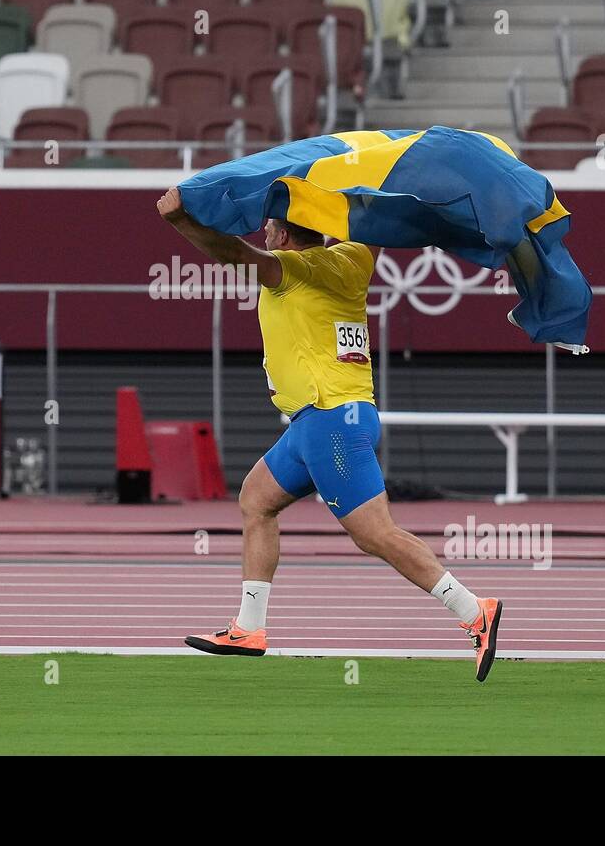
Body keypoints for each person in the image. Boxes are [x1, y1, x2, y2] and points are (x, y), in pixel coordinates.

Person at [155, 187, 503, 682]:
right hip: (319, 420)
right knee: (257, 500)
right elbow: (374, 231)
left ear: (282, 234)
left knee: (374, 534)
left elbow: (233, 253)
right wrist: (372, 192)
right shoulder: (353, 258)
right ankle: (249, 627)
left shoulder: (293, 270)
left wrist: (179, 221)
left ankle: (474, 611)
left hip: (330, 419)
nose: (263, 233)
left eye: (269, 227)